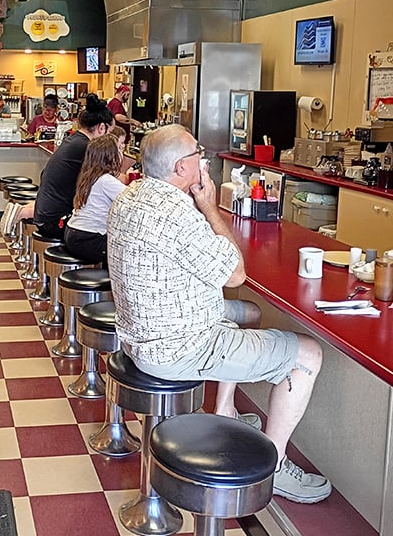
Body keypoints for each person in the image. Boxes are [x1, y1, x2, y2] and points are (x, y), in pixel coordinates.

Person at [107, 124, 332, 504]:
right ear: (181, 168)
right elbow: (235, 274)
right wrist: (209, 206)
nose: (204, 159)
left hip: (140, 331)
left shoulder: (130, 196)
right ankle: (274, 466)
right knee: (308, 354)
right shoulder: (177, 214)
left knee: (249, 312)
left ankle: (225, 408)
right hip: (178, 346)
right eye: (198, 153)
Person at [33, 93, 114, 239]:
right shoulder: (86, 147)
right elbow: (103, 180)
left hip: (45, 215)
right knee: (106, 233)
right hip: (55, 221)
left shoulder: (74, 140)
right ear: (101, 128)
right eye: (110, 133)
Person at [64, 134, 126, 266]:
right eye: (120, 149)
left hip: (73, 233)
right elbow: (133, 199)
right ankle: (109, 278)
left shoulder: (89, 176)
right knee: (126, 251)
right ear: (111, 156)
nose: (122, 153)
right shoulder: (106, 180)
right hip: (88, 238)